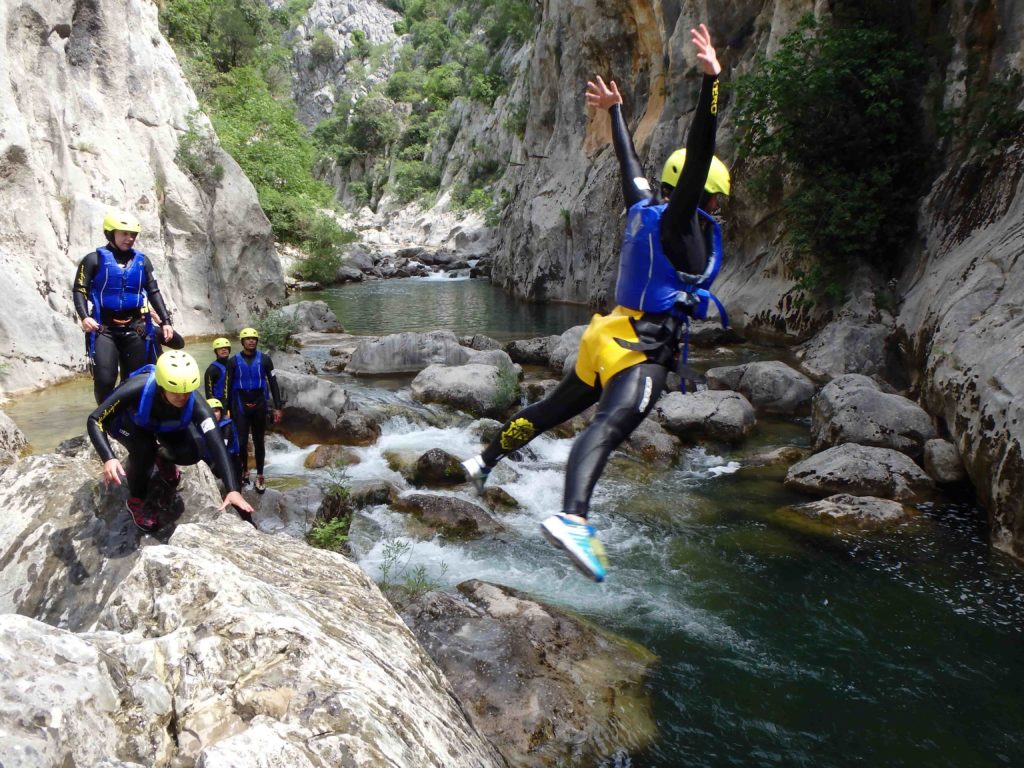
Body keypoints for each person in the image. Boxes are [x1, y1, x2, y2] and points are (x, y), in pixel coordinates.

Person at [460, 24, 729, 582]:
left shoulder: (644, 206)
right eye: (714, 198)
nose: (715, 206)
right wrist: (712, 86)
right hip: (639, 348)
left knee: (549, 413)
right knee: (607, 426)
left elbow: (627, 163)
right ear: (702, 194)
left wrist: (614, 113)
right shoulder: (682, 222)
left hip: (603, 335)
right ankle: (573, 516)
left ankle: (482, 460)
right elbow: (701, 153)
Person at [87, 350, 255, 531]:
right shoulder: (137, 387)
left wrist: (232, 489)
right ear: (161, 386)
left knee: (195, 450)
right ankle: (136, 499)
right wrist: (108, 457)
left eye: (187, 392)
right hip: (130, 422)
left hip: (163, 423)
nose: (182, 397)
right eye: (175, 392)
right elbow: (95, 420)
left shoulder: (196, 402)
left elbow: (216, 444)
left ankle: (163, 457)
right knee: (144, 450)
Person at [74, 210, 179, 404]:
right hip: (104, 328)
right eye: (124, 233)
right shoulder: (92, 260)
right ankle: (104, 423)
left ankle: (130, 424)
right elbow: (79, 289)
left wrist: (166, 321)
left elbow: (154, 291)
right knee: (105, 381)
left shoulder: (143, 261)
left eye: (133, 235)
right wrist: (84, 317)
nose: (130, 238)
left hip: (135, 327)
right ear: (110, 233)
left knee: (135, 381)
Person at [227, 327, 283, 494]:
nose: (251, 341)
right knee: (242, 442)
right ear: (242, 341)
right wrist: (226, 409)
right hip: (240, 404)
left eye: (254, 338)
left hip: (259, 404)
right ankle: (245, 470)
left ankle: (260, 475)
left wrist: (278, 407)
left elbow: (273, 383)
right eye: (248, 338)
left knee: (259, 442)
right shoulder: (232, 361)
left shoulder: (265, 360)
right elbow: (227, 388)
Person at [206, 397, 242, 491]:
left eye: (216, 411)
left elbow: (223, 446)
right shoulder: (204, 426)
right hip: (214, 459)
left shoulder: (227, 425)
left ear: (221, 412)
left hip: (230, 460)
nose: (214, 414)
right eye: (211, 411)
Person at [204, 338, 232, 404]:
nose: (224, 349)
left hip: (233, 401)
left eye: (226, 348)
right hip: (220, 402)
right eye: (220, 348)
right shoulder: (212, 369)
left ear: (229, 350)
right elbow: (209, 393)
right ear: (216, 351)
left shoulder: (233, 364)